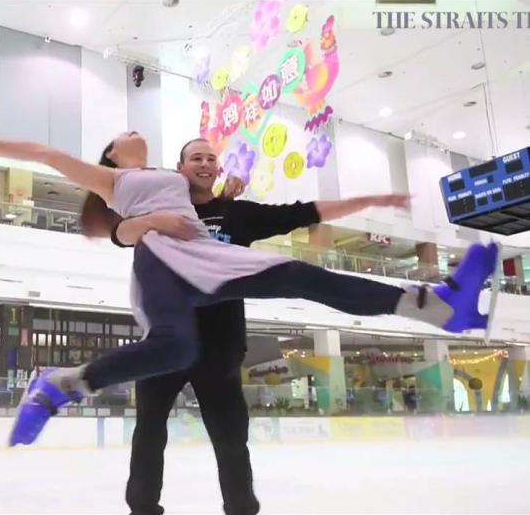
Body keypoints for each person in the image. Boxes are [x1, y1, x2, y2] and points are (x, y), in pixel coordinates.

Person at [0, 132, 498, 448]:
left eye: (203, 159)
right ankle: (61, 385)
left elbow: (229, 188)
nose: (136, 133)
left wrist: (363, 198)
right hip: (163, 264)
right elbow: (42, 153)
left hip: (207, 255)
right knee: (177, 348)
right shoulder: (113, 180)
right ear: (111, 156)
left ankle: (436, 306)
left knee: (296, 274)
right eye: (124, 136)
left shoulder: (177, 175)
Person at [113, 138, 413, 515]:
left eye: (210, 158)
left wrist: (368, 201)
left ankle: (241, 509)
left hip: (219, 349)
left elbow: (301, 213)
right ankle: (142, 508)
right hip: (162, 345)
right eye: (195, 158)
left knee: (231, 440)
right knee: (148, 434)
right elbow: (120, 231)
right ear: (180, 167)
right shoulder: (160, 208)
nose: (204, 164)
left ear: (218, 169)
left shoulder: (238, 215)